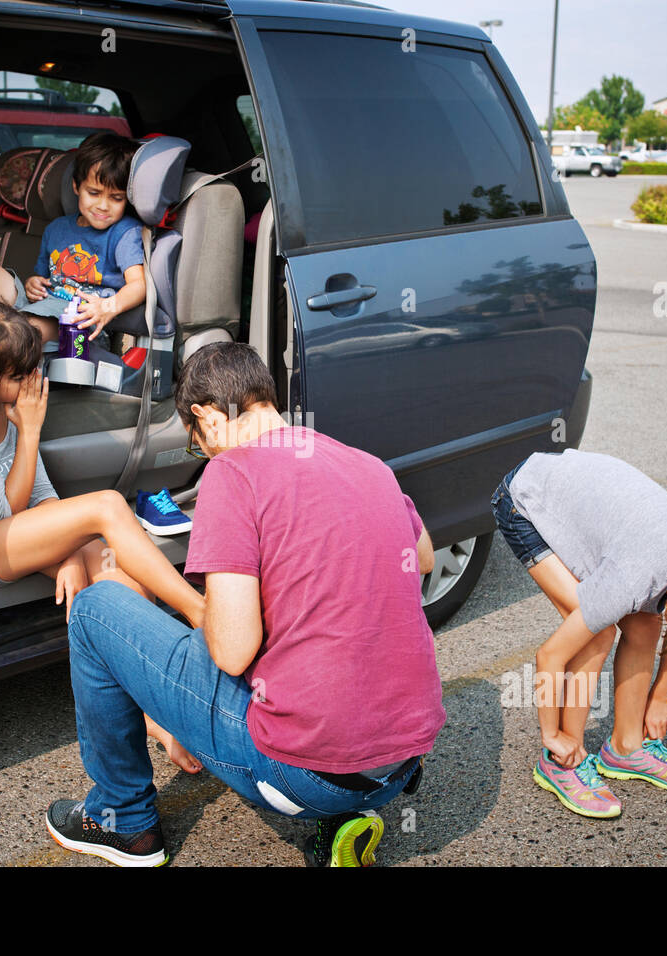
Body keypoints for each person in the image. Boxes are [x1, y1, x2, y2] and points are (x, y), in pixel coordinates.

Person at [45, 342, 446, 867]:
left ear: (207, 417)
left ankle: (125, 821)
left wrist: (175, 689)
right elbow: (422, 559)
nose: (205, 456)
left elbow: (233, 653)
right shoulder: (366, 463)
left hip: (304, 776)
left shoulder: (232, 473)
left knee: (98, 610)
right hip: (398, 767)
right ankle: (339, 827)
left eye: (197, 446)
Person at [0, 293, 203, 770]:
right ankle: (195, 609)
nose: (31, 383)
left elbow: (45, 498)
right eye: (16, 376)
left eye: (32, 370)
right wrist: (29, 432)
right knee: (108, 506)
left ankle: (153, 712)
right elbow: (6, 509)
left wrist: (68, 553)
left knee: (110, 561)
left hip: (20, 536)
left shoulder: (7, 403)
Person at [491, 449, 667, 818]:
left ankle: (626, 747)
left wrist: (659, 699)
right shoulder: (632, 579)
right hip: (526, 499)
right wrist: (551, 734)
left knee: (645, 625)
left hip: (598, 511)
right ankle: (561, 761)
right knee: (595, 634)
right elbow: (550, 656)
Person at [0, 131, 146, 347]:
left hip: (81, 320)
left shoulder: (125, 232)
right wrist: (32, 283)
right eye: (94, 193)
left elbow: (139, 284)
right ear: (76, 186)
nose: (103, 205)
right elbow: (43, 278)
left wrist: (108, 306)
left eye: (116, 198)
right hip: (43, 305)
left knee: (13, 331)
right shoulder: (56, 229)